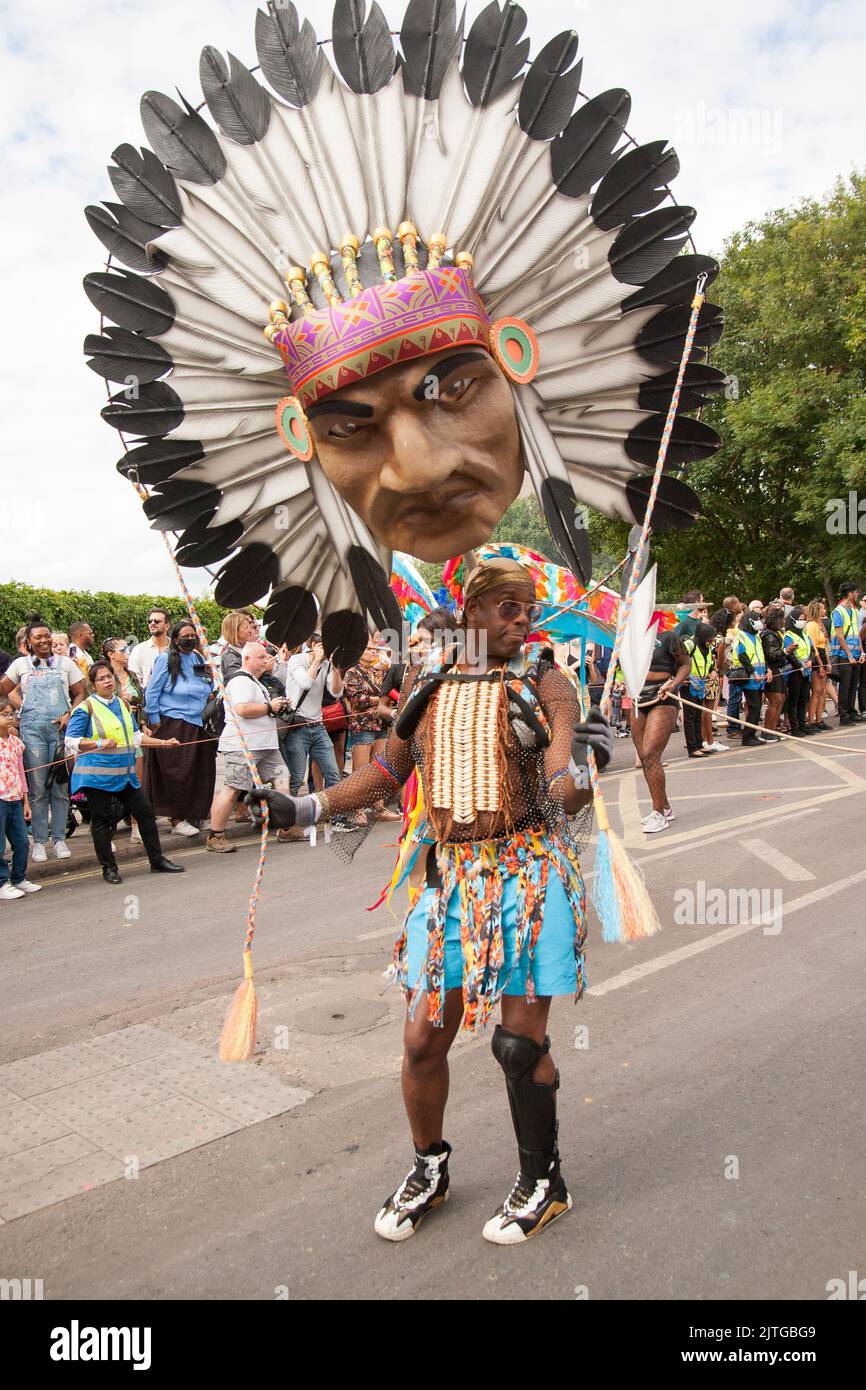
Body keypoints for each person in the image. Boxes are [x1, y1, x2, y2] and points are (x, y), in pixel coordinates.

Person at [249, 557, 613, 1245]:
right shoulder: (430, 680)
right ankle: (430, 1168)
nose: (522, 617)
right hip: (448, 884)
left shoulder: (547, 681)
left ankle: (543, 1181)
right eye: (507, 606)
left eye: (528, 606)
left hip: (527, 878)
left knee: (516, 1043)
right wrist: (304, 806)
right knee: (420, 1041)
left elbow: (562, 787)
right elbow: (386, 772)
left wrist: (585, 774)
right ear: (471, 611)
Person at [64, 661, 185, 884]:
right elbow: (70, 741)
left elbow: (136, 737)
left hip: (124, 774)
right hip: (97, 776)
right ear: (93, 684)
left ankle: (156, 860)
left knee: (145, 813)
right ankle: (108, 868)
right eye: (102, 678)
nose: (108, 681)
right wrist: (99, 742)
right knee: (102, 820)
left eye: (110, 676)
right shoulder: (85, 708)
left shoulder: (122, 705)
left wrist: (163, 743)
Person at [0, 617, 86, 861]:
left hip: (60, 731)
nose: (44, 640)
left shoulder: (66, 663)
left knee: (59, 787)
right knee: (37, 788)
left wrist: (71, 714)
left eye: (47, 635)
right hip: (32, 731)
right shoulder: (20, 665)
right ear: (29, 642)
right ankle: (39, 841)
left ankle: (59, 839)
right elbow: (4, 689)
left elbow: (80, 692)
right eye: (38, 637)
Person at [206, 643, 289, 854]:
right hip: (243, 745)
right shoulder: (241, 680)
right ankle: (215, 836)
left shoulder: (254, 681)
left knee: (282, 780)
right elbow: (242, 709)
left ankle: (287, 827)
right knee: (232, 788)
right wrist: (271, 707)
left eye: (266, 657)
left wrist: (275, 705)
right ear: (247, 659)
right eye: (261, 657)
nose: (265, 660)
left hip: (266, 744)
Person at [143, 620, 217, 836]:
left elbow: (208, 685)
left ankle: (195, 813)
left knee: (200, 771)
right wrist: (154, 718)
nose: (190, 639)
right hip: (174, 722)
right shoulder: (165, 660)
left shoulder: (197, 658)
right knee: (178, 773)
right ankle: (177, 819)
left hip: (198, 722)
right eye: (185, 636)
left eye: (192, 635)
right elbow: (152, 692)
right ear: (175, 639)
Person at [632, 627, 691, 833]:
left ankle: (658, 814)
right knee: (645, 757)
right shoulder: (625, 636)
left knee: (650, 753)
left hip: (662, 696)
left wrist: (673, 685)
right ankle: (665, 807)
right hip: (636, 699)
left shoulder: (668, 635)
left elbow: (686, 664)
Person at [281, 638, 345, 808]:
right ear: (313, 646)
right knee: (296, 777)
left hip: (318, 725)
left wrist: (337, 669)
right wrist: (317, 659)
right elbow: (306, 683)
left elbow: (336, 692)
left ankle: (333, 814)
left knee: (333, 773)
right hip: (298, 726)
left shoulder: (327, 664)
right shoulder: (297, 660)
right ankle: (287, 822)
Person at [344, 635, 400, 822]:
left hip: (381, 723)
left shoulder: (379, 671)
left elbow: (390, 690)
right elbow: (359, 700)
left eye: (374, 648)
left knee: (379, 769)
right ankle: (358, 810)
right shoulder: (352, 672)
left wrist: (383, 698)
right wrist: (382, 699)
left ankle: (379, 807)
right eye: (369, 649)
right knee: (360, 771)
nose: (373, 651)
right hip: (362, 725)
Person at [0, 696, 42, 901]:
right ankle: (2, 882)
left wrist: (26, 800)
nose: (9, 718)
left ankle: (19, 877)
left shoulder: (16, 743)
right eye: (4, 714)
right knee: (0, 845)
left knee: (22, 842)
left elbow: (20, 771)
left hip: (15, 799)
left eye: (12, 714)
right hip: (0, 799)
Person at [728, 609, 769, 747]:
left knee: (757, 707)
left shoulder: (756, 636)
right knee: (754, 706)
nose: (759, 622)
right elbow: (742, 656)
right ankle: (748, 737)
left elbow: (761, 655)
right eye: (757, 619)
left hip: (759, 675)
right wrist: (754, 672)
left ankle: (751, 734)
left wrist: (767, 670)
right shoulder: (742, 635)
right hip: (751, 676)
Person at [829, 581, 863, 725]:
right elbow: (839, 634)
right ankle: (844, 716)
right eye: (855, 592)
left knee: (853, 686)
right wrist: (849, 654)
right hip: (844, 655)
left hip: (855, 654)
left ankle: (851, 712)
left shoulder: (854, 611)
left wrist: (862, 652)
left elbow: (857, 633)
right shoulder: (838, 611)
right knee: (845, 686)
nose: (857, 595)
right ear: (850, 593)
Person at [682, 623, 717, 758]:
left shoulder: (706, 646)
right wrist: (680, 676)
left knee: (698, 715)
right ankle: (692, 748)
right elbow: (678, 661)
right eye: (710, 638)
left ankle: (699, 744)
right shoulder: (689, 644)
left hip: (701, 683)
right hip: (688, 684)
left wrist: (712, 670)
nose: (711, 641)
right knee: (690, 716)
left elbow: (707, 662)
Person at [782, 607, 814, 737]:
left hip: (807, 669)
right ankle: (795, 728)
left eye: (803, 619)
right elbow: (790, 654)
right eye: (800, 619)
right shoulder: (788, 636)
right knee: (794, 700)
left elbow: (811, 649)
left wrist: (811, 661)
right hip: (795, 671)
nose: (802, 621)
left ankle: (803, 725)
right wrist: (800, 666)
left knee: (803, 699)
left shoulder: (805, 635)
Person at [803, 600, 832, 731]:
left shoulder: (820, 624)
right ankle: (811, 720)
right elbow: (813, 646)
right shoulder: (811, 625)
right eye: (823, 608)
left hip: (823, 656)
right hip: (816, 658)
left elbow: (825, 645)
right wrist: (820, 664)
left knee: (823, 691)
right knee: (816, 691)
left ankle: (819, 719)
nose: (825, 611)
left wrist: (828, 663)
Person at [128, 607, 172, 692]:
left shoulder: (176, 649)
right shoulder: (139, 650)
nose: (152, 623)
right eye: (150, 621)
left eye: (157, 621)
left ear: (167, 626)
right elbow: (134, 679)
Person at [760, 607, 787, 740]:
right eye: (782, 619)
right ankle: (767, 731)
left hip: (777, 669)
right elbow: (771, 655)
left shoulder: (774, 633)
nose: (783, 622)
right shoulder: (769, 635)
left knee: (780, 699)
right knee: (775, 700)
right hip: (771, 669)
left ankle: (773, 730)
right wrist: (786, 651)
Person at [102, 639, 143, 722]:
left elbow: (141, 703)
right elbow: (96, 704)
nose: (128, 653)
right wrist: (122, 709)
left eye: (128, 649)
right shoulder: (101, 677)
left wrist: (143, 723)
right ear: (111, 654)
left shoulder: (132, 675)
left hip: (134, 724)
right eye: (123, 650)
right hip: (112, 726)